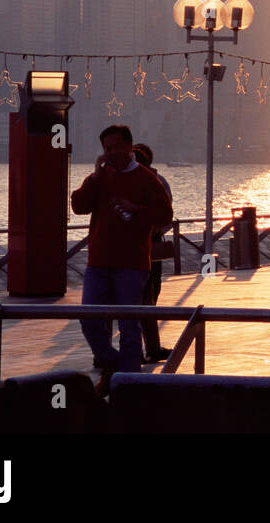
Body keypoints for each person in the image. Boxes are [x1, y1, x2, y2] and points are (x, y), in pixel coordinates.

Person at [71, 124, 173, 396]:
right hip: (98, 261)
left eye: (117, 147)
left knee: (129, 323)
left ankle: (127, 381)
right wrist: (94, 175)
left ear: (130, 147)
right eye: (107, 148)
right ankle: (112, 365)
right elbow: (79, 206)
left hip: (132, 262)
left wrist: (137, 209)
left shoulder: (147, 179)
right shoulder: (101, 177)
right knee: (89, 318)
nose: (112, 152)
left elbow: (165, 215)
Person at [132, 143, 174, 364]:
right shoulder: (159, 182)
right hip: (148, 248)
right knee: (147, 298)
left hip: (138, 248)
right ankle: (148, 348)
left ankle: (139, 349)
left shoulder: (150, 182)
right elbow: (166, 217)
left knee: (136, 300)